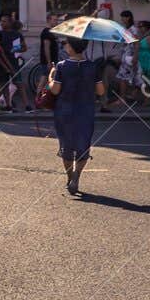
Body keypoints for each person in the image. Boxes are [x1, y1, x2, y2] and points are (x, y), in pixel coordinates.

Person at [48, 36, 104, 195]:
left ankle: (69, 177)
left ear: (71, 47)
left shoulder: (62, 66)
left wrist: (51, 77)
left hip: (64, 110)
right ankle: (77, 176)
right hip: (85, 110)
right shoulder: (93, 66)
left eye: (66, 43)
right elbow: (100, 91)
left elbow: (55, 90)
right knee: (83, 144)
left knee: (66, 145)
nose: (65, 46)